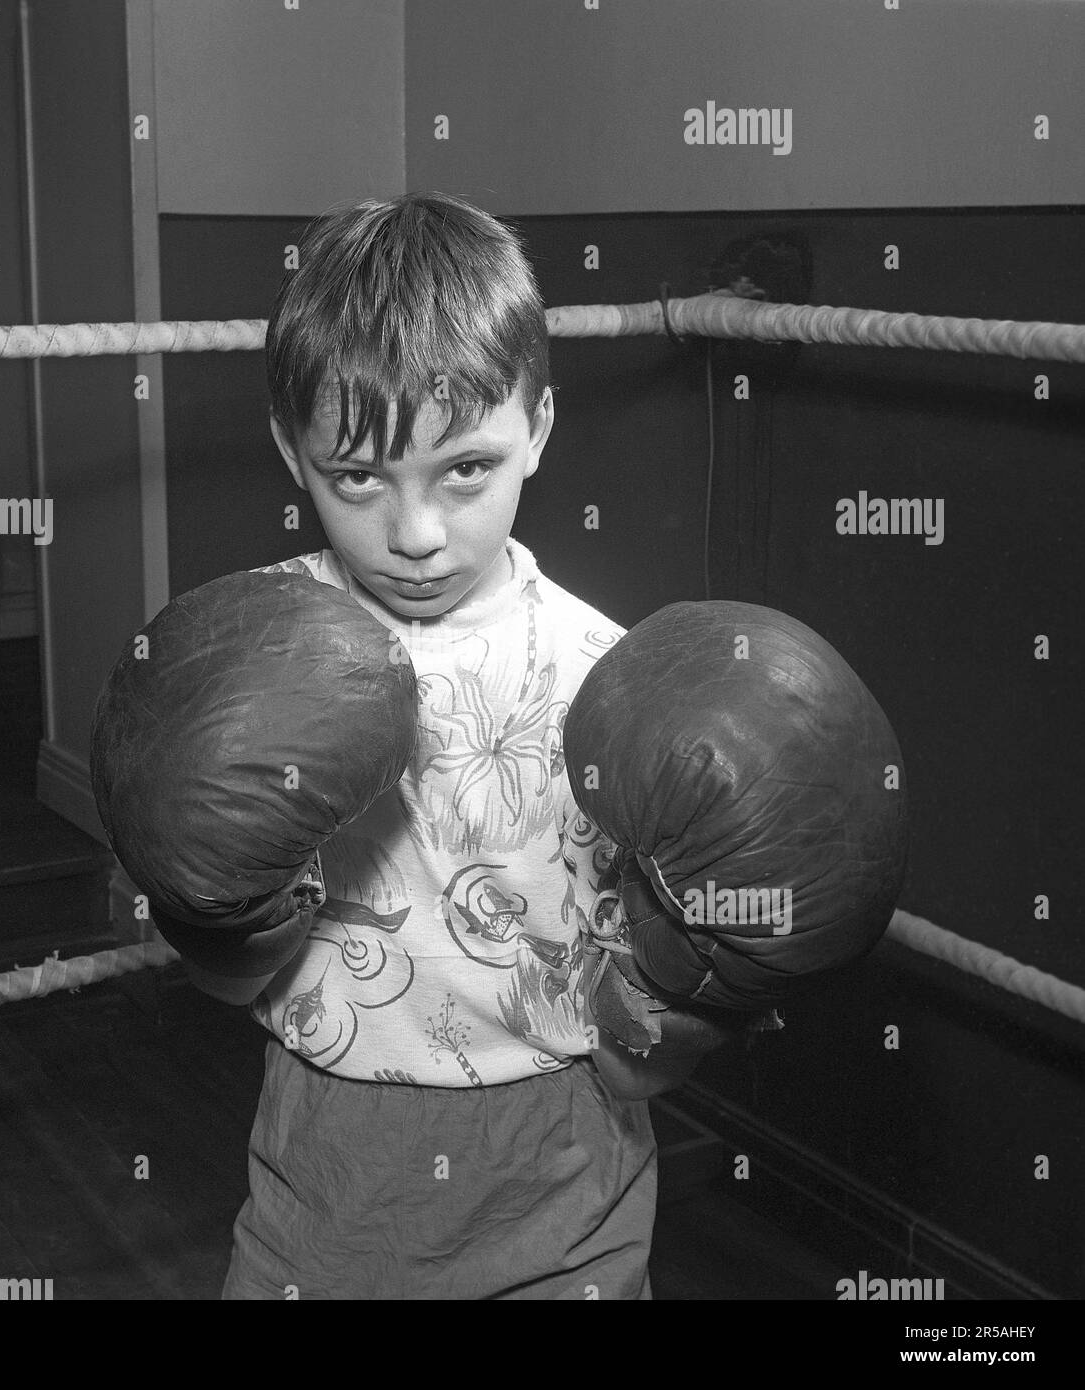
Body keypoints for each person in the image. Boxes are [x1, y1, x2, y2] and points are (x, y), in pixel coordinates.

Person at [170, 191, 717, 1301]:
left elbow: (634, 1055)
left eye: (465, 468)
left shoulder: (608, 679)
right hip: (325, 1182)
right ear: (291, 451)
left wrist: (711, 994)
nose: (415, 534)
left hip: (567, 1184)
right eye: (358, 477)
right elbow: (228, 979)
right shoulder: (249, 659)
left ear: (541, 428)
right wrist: (206, 909)